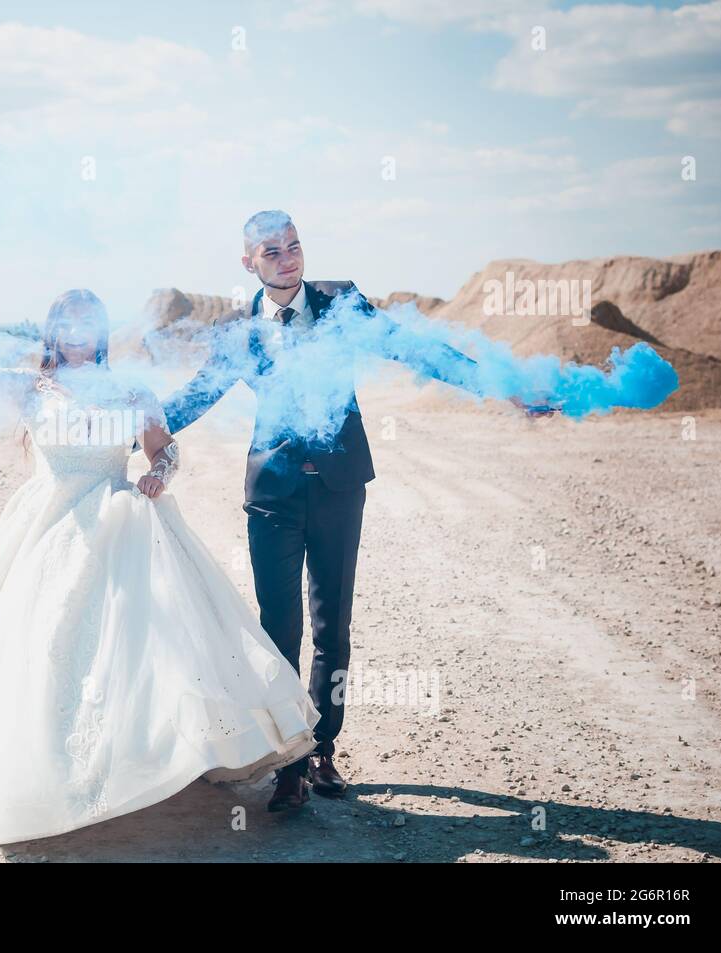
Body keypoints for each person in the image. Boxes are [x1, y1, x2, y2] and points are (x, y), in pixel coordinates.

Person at [0, 288, 319, 843]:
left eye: (89, 318)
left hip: (122, 524)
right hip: (48, 525)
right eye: (68, 319)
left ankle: (138, 758)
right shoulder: (28, 387)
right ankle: (36, 778)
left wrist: (160, 473)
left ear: (102, 328)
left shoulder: (131, 388)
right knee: (46, 647)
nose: (79, 328)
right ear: (53, 329)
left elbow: (165, 448)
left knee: (143, 647)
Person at [163, 210, 551, 812]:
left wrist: (504, 386)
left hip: (340, 489)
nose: (288, 258)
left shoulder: (341, 302)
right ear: (249, 263)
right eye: (272, 251)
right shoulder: (238, 333)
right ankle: (286, 760)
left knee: (330, 625)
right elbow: (197, 395)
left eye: (294, 245)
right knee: (278, 628)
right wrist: (129, 430)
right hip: (272, 497)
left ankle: (321, 751)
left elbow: (415, 351)